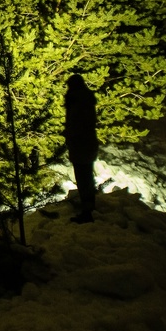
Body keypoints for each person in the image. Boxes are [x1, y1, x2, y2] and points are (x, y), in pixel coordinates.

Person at [64, 74, 99, 222]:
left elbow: (76, 125)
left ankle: (87, 211)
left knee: (83, 177)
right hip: (88, 143)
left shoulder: (76, 102)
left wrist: (70, 135)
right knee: (86, 176)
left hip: (80, 144)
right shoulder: (86, 101)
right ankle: (88, 206)